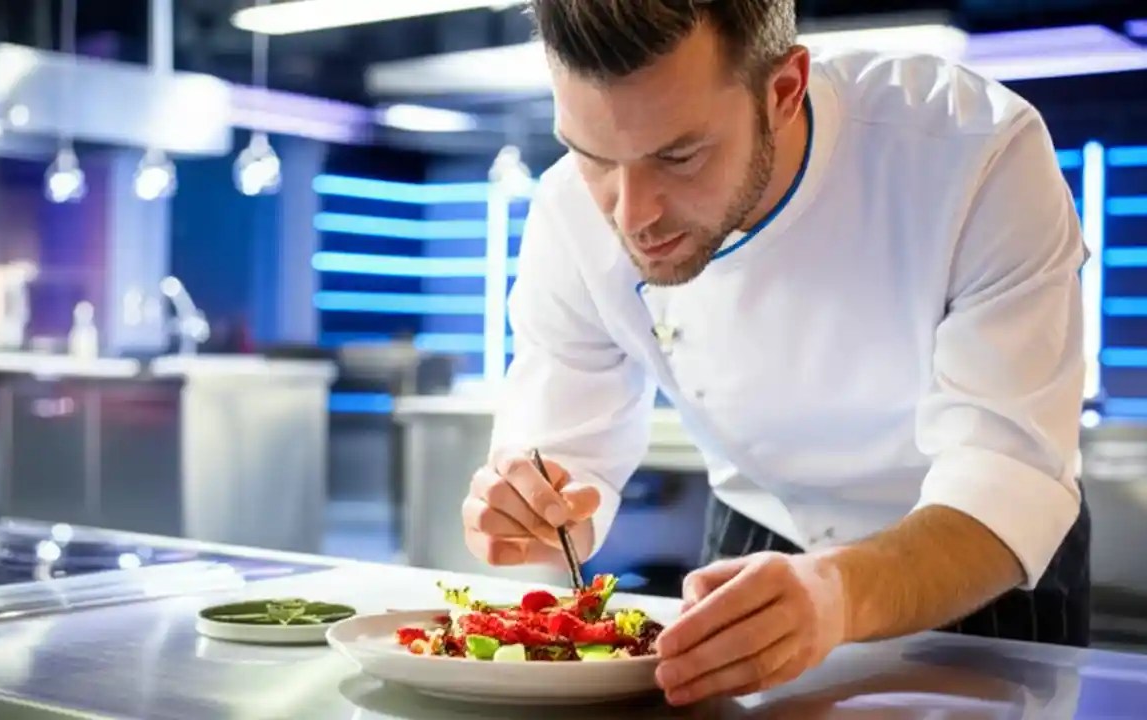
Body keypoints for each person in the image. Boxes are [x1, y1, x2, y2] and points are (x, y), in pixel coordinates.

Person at [461, 0, 1090, 707]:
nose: (631, 213)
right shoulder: (566, 214)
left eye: (679, 155)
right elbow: (563, 461)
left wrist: (843, 593)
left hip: (975, 561)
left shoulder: (975, 153)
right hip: (758, 537)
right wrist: (537, 508)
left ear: (784, 90)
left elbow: (1008, 479)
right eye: (592, 156)